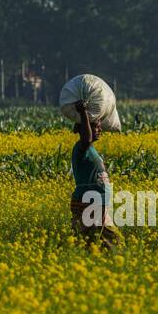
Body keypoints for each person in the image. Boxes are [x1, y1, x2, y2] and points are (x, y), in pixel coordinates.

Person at [69, 100, 120, 249]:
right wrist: (83, 112)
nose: (100, 130)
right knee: (103, 241)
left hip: (97, 204)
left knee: (98, 242)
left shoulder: (91, 150)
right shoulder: (82, 147)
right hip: (89, 203)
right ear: (84, 128)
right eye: (95, 127)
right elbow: (87, 138)